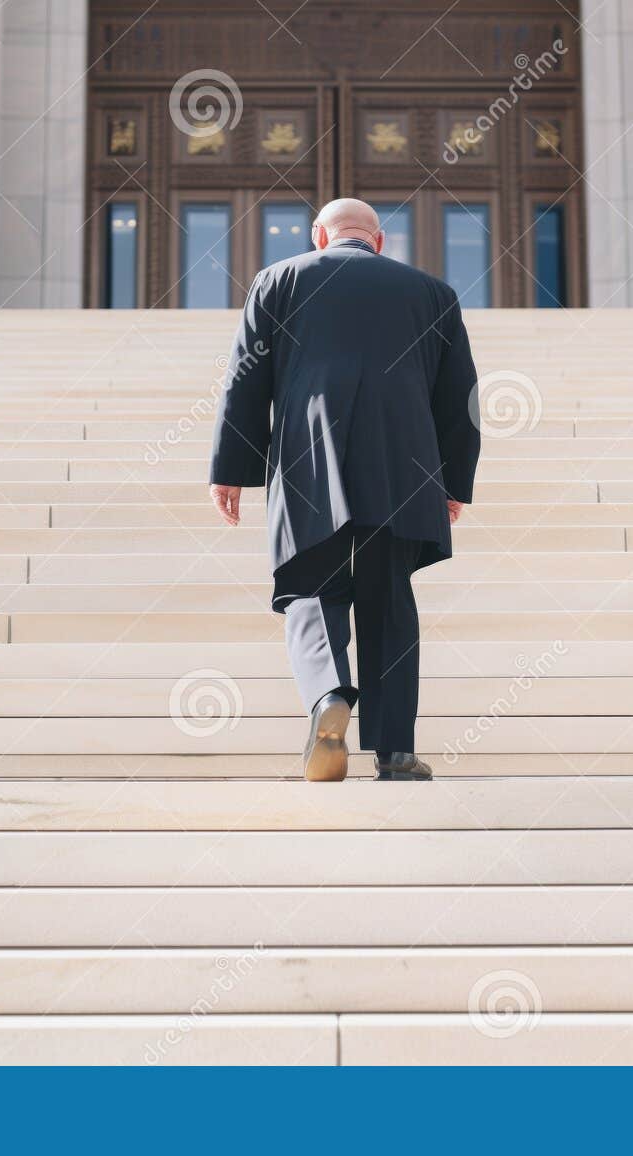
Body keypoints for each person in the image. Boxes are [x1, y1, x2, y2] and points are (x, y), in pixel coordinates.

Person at [208, 197, 481, 782]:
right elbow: (460, 396)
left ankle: (329, 693)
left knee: (310, 580)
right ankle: (396, 751)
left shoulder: (278, 280)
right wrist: (453, 481)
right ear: (378, 241)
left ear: (318, 236)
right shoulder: (432, 292)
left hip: (310, 453)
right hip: (403, 461)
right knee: (389, 596)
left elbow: (245, 378)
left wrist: (231, 467)